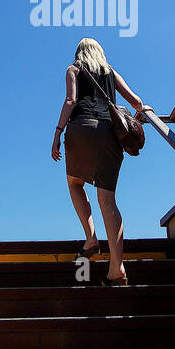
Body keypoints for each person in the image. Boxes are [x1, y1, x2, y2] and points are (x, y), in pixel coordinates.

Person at [50, 38, 149, 285]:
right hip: (108, 133)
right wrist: (141, 112)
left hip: (80, 129)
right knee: (108, 200)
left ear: (79, 53)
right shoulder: (110, 72)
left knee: (75, 183)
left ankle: (91, 238)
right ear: (100, 53)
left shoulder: (73, 69)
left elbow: (71, 101)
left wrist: (57, 132)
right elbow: (136, 102)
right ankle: (117, 268)